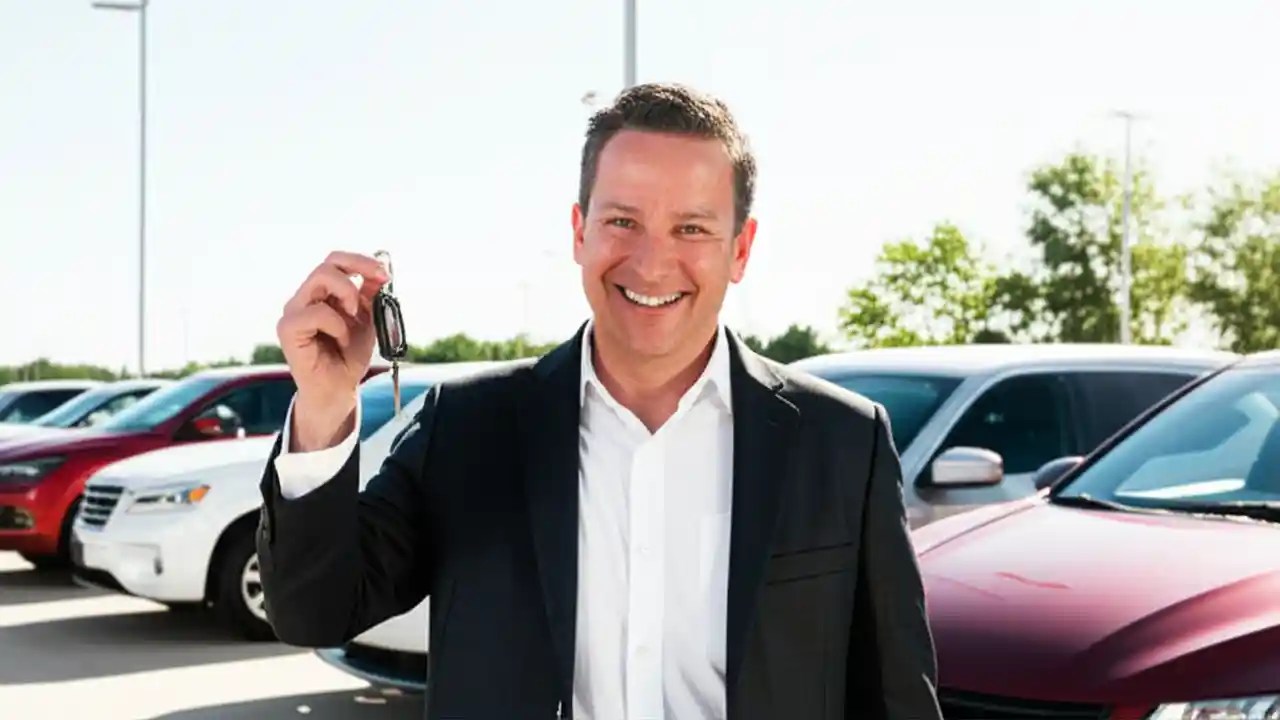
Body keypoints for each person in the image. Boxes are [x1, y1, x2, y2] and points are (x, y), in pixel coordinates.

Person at [258, 82, 942, 720]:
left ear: (741, 248)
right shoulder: (469, 430)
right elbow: (315, 612)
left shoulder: (843, 443)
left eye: (692, 228)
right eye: (623, 220)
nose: (651, 262)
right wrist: (322, 407)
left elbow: (896, 700)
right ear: (579, 231)